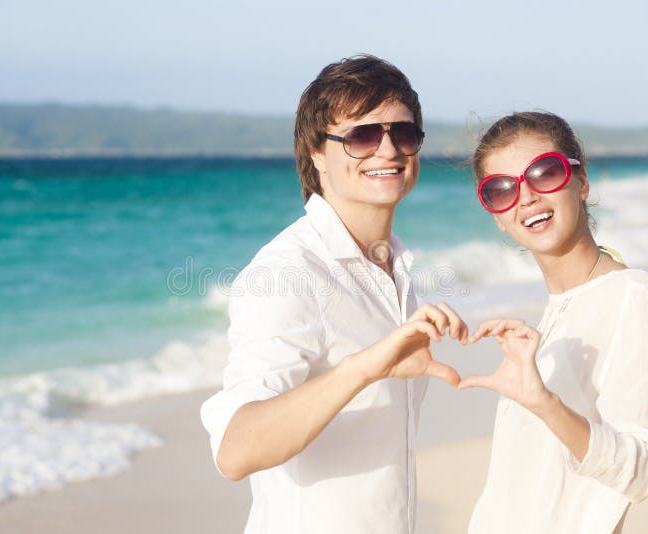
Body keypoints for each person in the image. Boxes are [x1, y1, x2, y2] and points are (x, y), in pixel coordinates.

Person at [200, 54, 467, 534]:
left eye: (402, 134)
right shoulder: (289, 274)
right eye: (362, 136)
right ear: (317, 152)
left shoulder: (394, 269)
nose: (387, 151)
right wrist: (365, 366)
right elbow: (235, 451)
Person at [459, 111, 648, 533]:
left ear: (581, 182)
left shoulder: (633, 296)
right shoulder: (553, 316)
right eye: (501, 189)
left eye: (544, 172)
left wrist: (545, 404)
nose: (525, 197)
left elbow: (641, 469)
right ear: (496, 216)